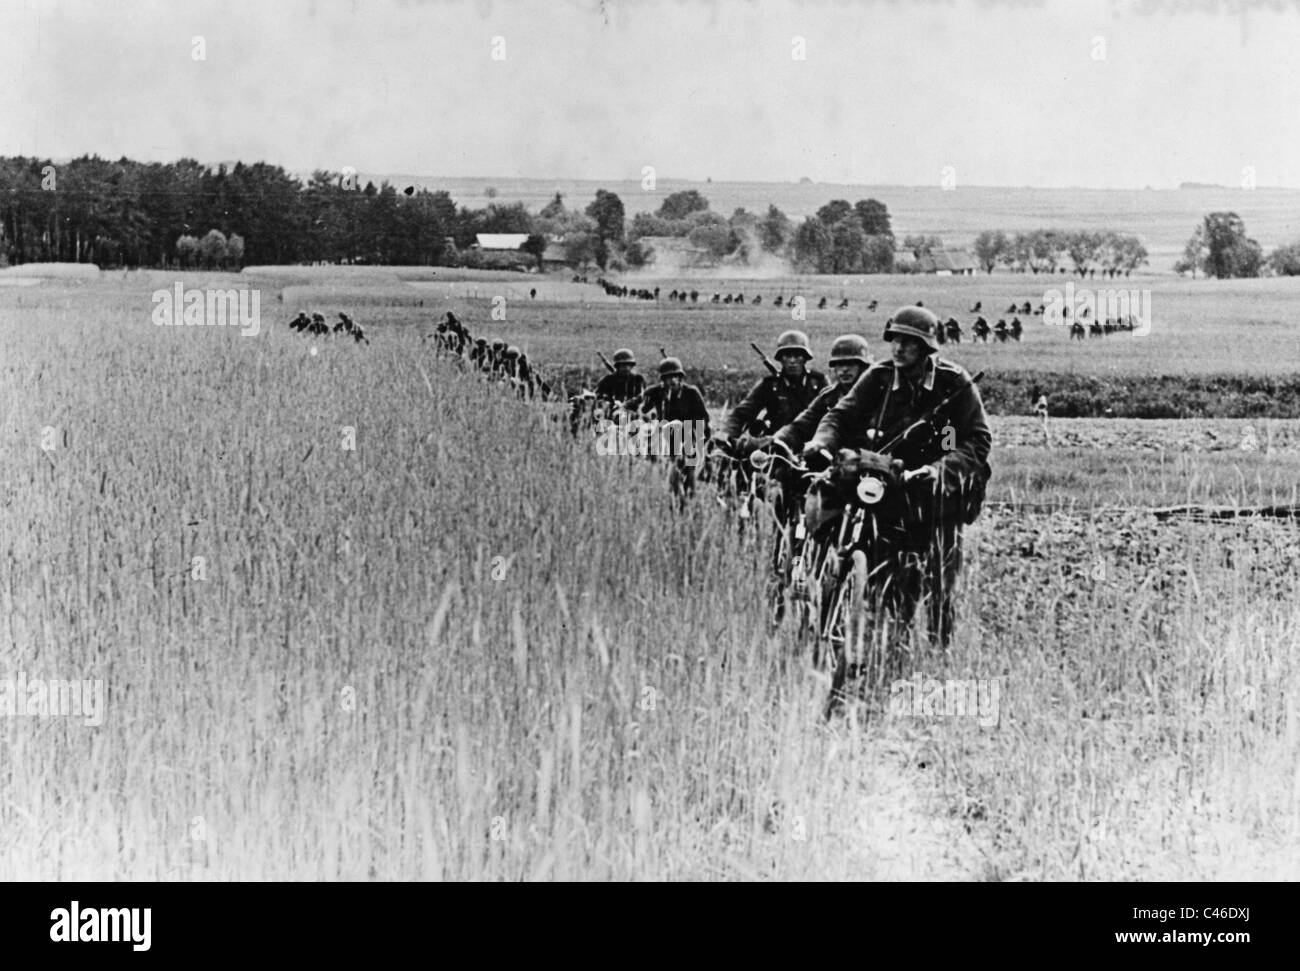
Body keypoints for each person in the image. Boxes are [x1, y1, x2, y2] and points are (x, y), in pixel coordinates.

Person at [801, 306, 991, 649]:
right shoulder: (879, 377)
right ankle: (872, 637)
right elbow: (840, 416)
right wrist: (821, 442)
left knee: (939, 582)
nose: (899, 348)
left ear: (926, 347)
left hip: (934, 492)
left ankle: (938, 652)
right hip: (888, 485)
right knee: (882, 571)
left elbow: (977, 440)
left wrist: (939, 470)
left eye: (909, 341)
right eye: (895, 340)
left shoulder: (954, 383)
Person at [717, 330, 828, 445]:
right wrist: (726, 433)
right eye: (787, 356)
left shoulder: (818, 382)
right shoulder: (770, 384)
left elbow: (833, 414)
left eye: (797, 356)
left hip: (810, 443)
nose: (792, 361)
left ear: (805, 358)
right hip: (774, 443)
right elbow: (742, 413)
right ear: (781, 359)